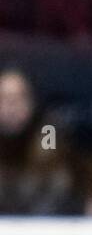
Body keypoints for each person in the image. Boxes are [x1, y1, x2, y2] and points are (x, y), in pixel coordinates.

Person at [0, 68, 78, 214]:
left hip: (40, 219)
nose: (11, 107)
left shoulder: (49, 129)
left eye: (18, 98)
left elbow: (53, 170)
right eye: (4, 99)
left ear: (32, 102)